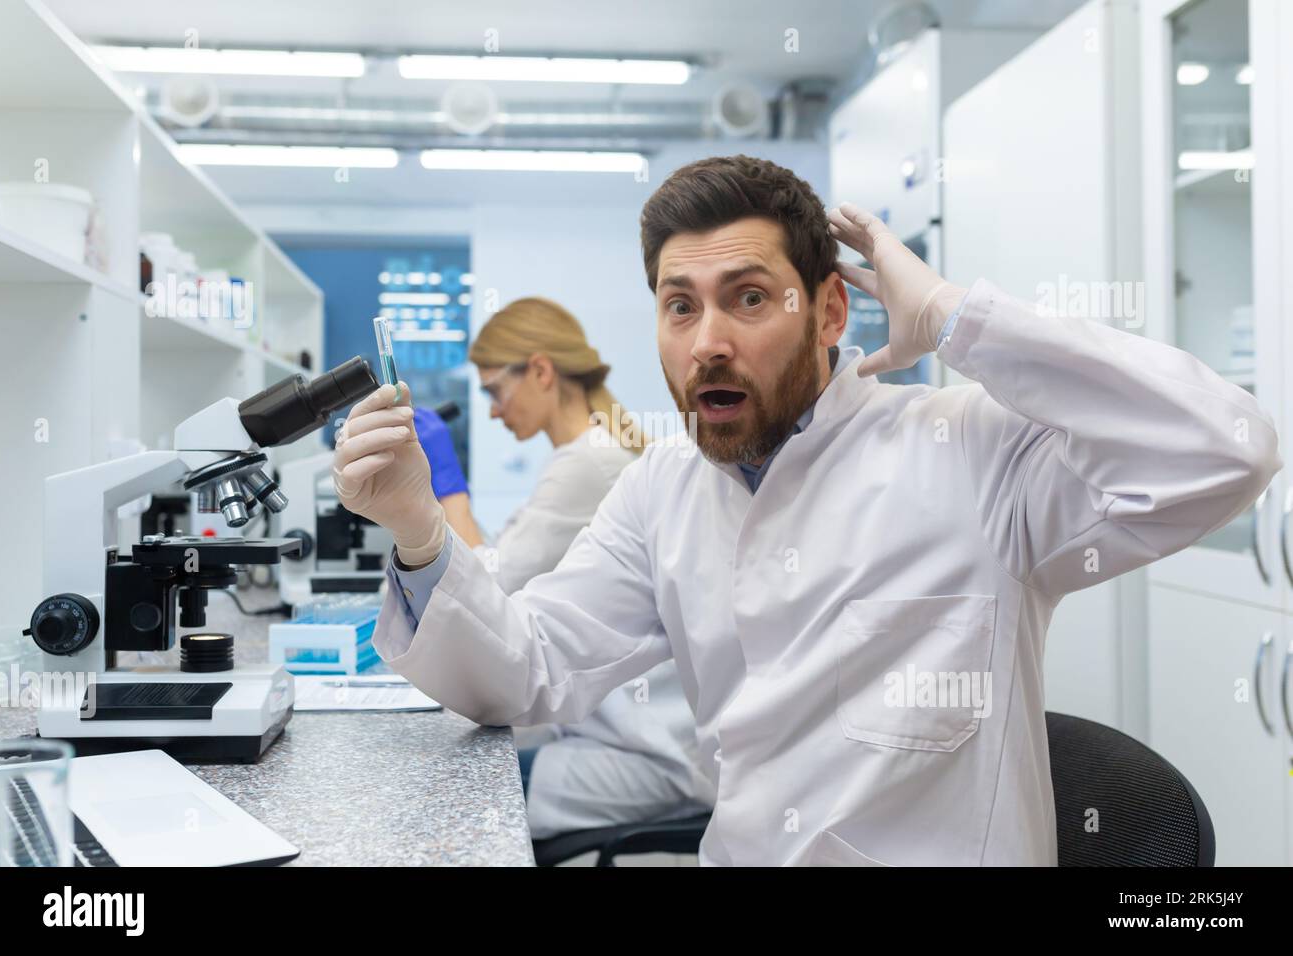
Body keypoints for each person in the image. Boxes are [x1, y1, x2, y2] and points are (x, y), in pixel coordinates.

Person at [334, 155, 1280, 866]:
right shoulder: (662, 491)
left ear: (831, 312)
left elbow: (1222, 452)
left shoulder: (976, 451)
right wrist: (419, 532)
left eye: (749, 298)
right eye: (679, 306)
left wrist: (957, 317)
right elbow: (524, 677)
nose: (708, 343)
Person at [405, 297, 711, 840]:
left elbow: (487, 584)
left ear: (541, 371)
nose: (494, 411)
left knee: (460, 802)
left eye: (494, 390)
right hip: (623, 730)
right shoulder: (590, 451)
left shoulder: (589, 460)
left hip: (648, 752)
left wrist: (445, 484)